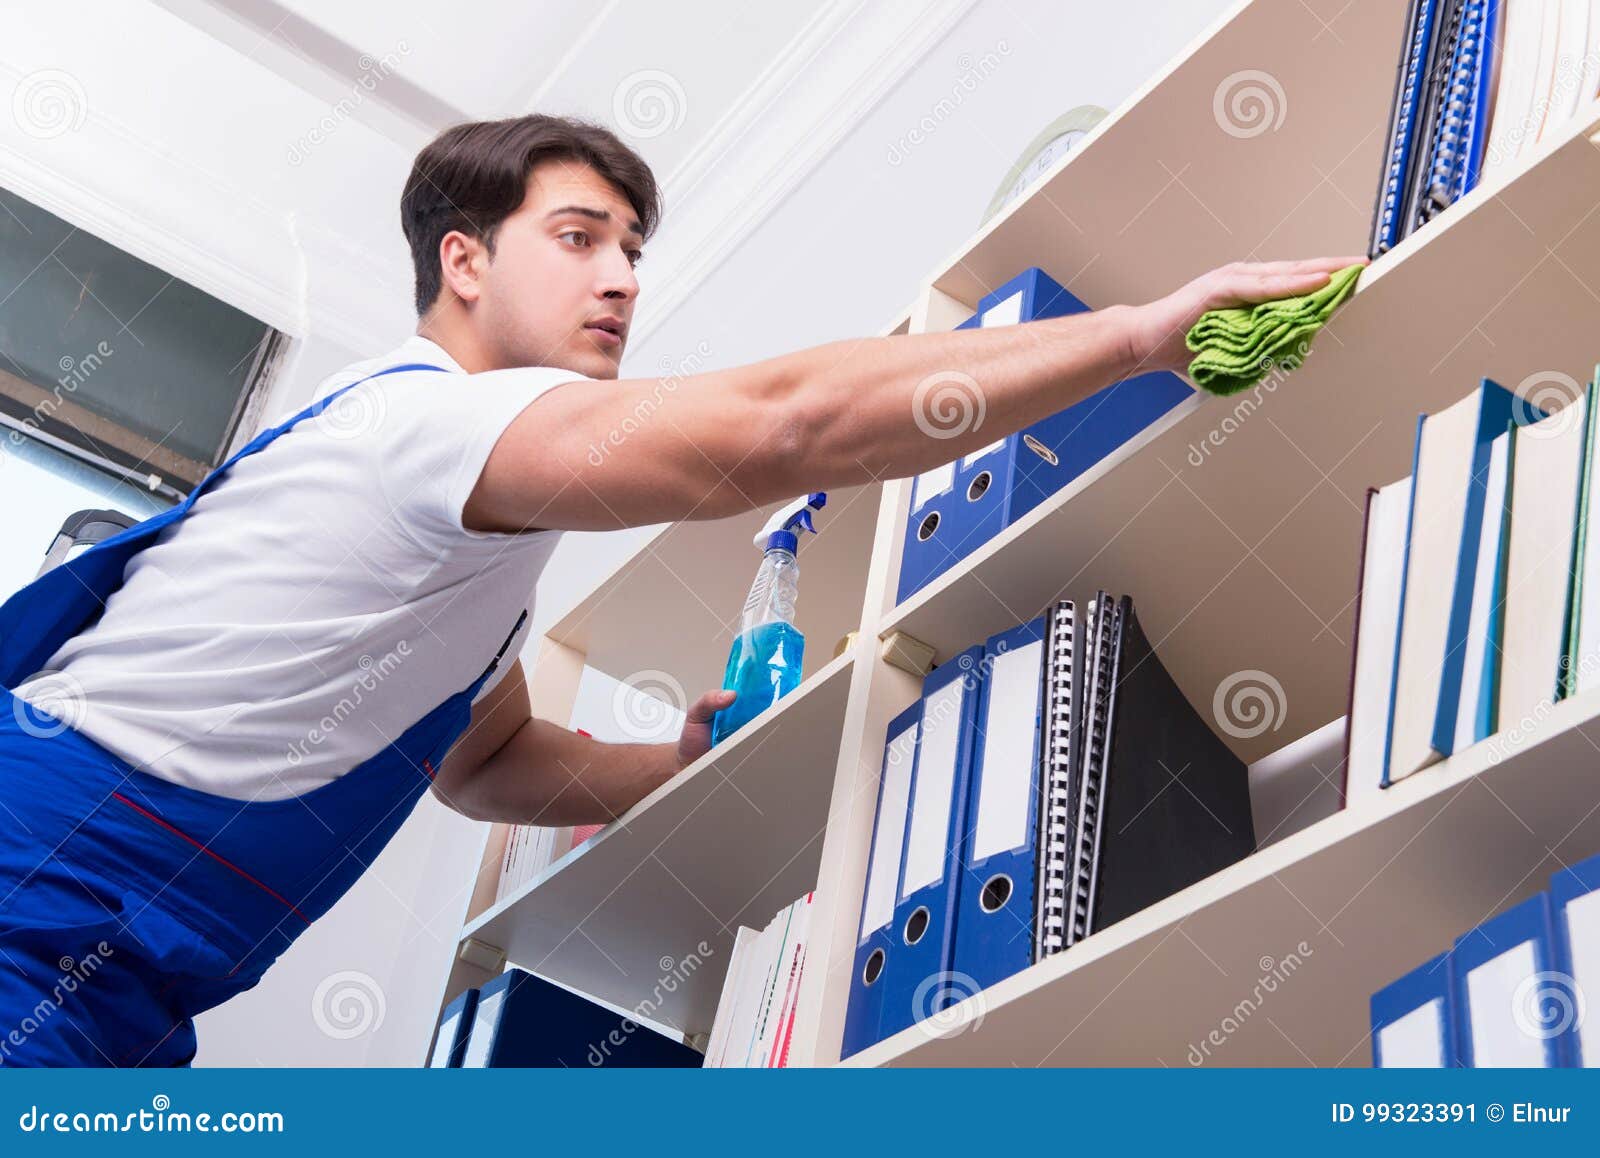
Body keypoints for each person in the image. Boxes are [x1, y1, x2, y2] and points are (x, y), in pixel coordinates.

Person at [0, 112, 1361, 1066]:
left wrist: (677, 759)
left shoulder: (460, 523)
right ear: (462, 260)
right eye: (581, 238)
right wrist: (1131, 335)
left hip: (115, 997)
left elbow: (485, 761)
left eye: (635, 251)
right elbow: (775, 430)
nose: (621, 279)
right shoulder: (425, 426)